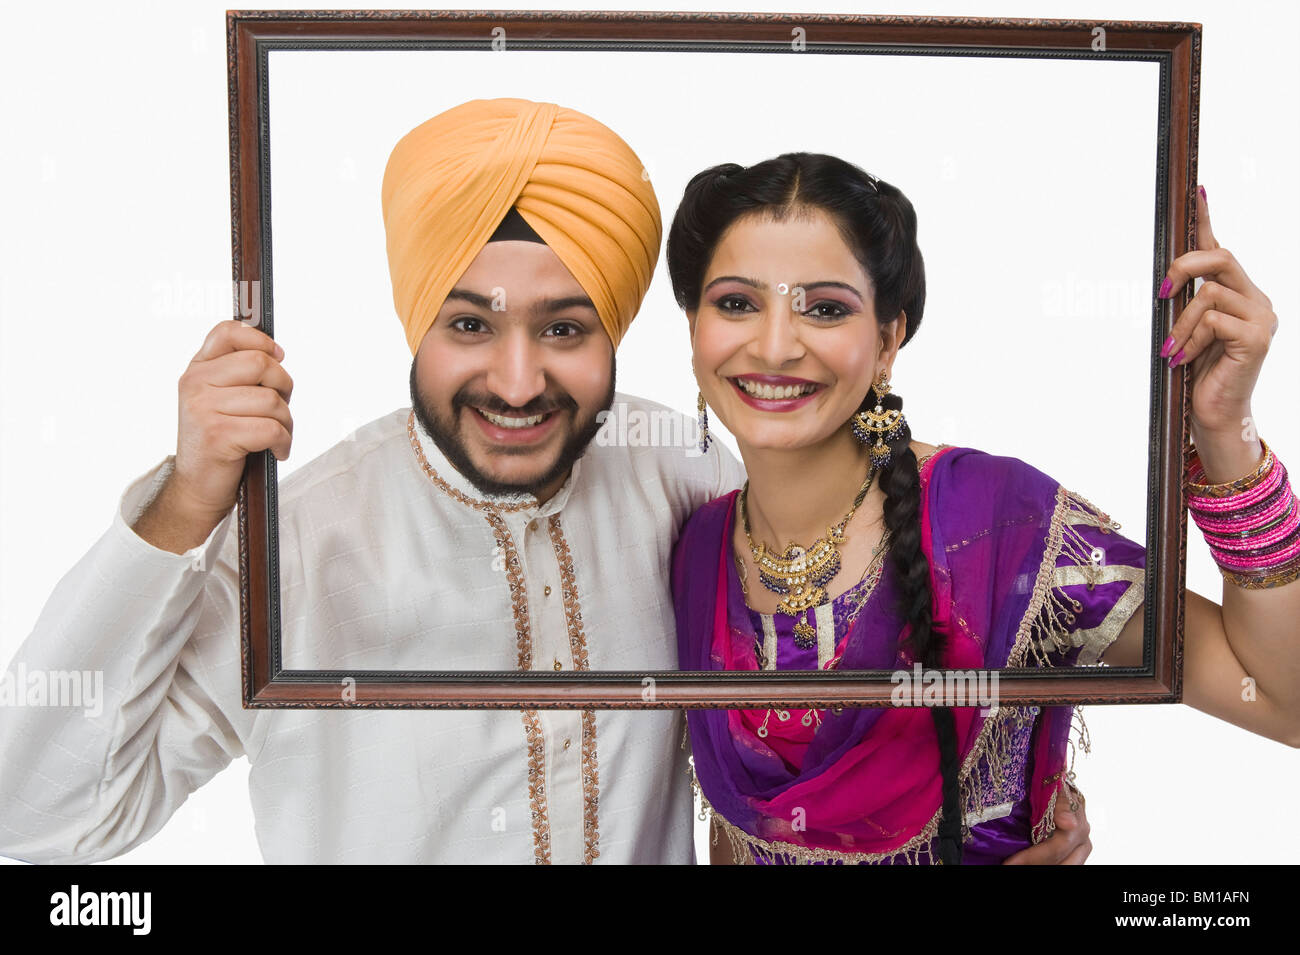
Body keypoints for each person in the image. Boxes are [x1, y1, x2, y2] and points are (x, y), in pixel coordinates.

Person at [0, 99, 1091, 866]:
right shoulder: (297, 543)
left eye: (564, 328)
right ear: (412, 322)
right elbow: (41, 817)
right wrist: (186, 501)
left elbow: (846, 635)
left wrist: (1005, 808)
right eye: (468, 323)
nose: (517, 380)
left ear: (616, 331)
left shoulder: (680, 470)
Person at [665, 153, 1300, 864]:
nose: (775, 344)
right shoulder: (697, 549)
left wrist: (1225, 431)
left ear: (887, 340)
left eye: (825, 308)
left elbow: (1283, 698)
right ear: (693, 326)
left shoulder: (993, 527)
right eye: (736, 303)